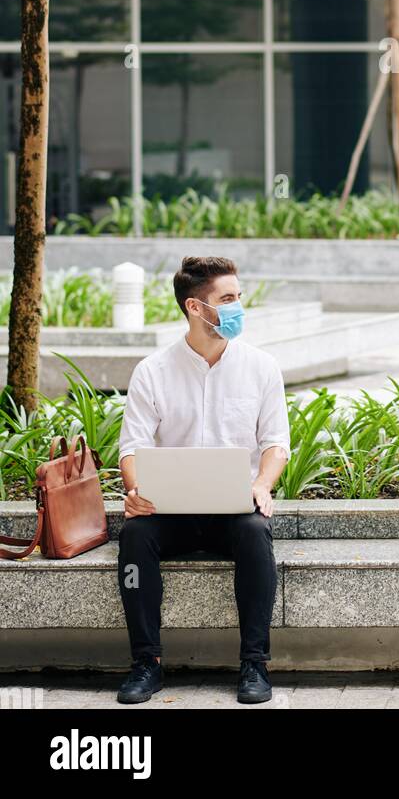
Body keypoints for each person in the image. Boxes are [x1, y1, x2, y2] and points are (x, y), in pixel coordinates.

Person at [115, 255, 291, 705]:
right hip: (171, 513)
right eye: (227, 299)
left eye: (238, 297)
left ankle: (255, 663)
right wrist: (136, 492)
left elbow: (275, 444)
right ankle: (146, 664)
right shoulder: (152, 371)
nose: (237, 307)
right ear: (196, 307)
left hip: (233, 510)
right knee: (135, 536)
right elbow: (131, 448)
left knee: (255, 532)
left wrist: (262, 485)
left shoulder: (261, 367)